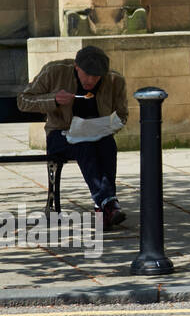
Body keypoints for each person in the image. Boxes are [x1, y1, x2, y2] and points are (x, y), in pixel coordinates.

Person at [18, 45, 129, 226]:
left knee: (107, 145)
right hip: (60, 134)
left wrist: (107, 127)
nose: (91, 80)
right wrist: (53, 99)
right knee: (84, 146)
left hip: (96, 134)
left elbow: (122, 115)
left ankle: (105, 206)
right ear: (77, 67)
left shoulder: (114, 81)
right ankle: (108, 203)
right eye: (87, 74)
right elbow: (23, 100)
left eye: (96, 76)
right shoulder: (55, 71)